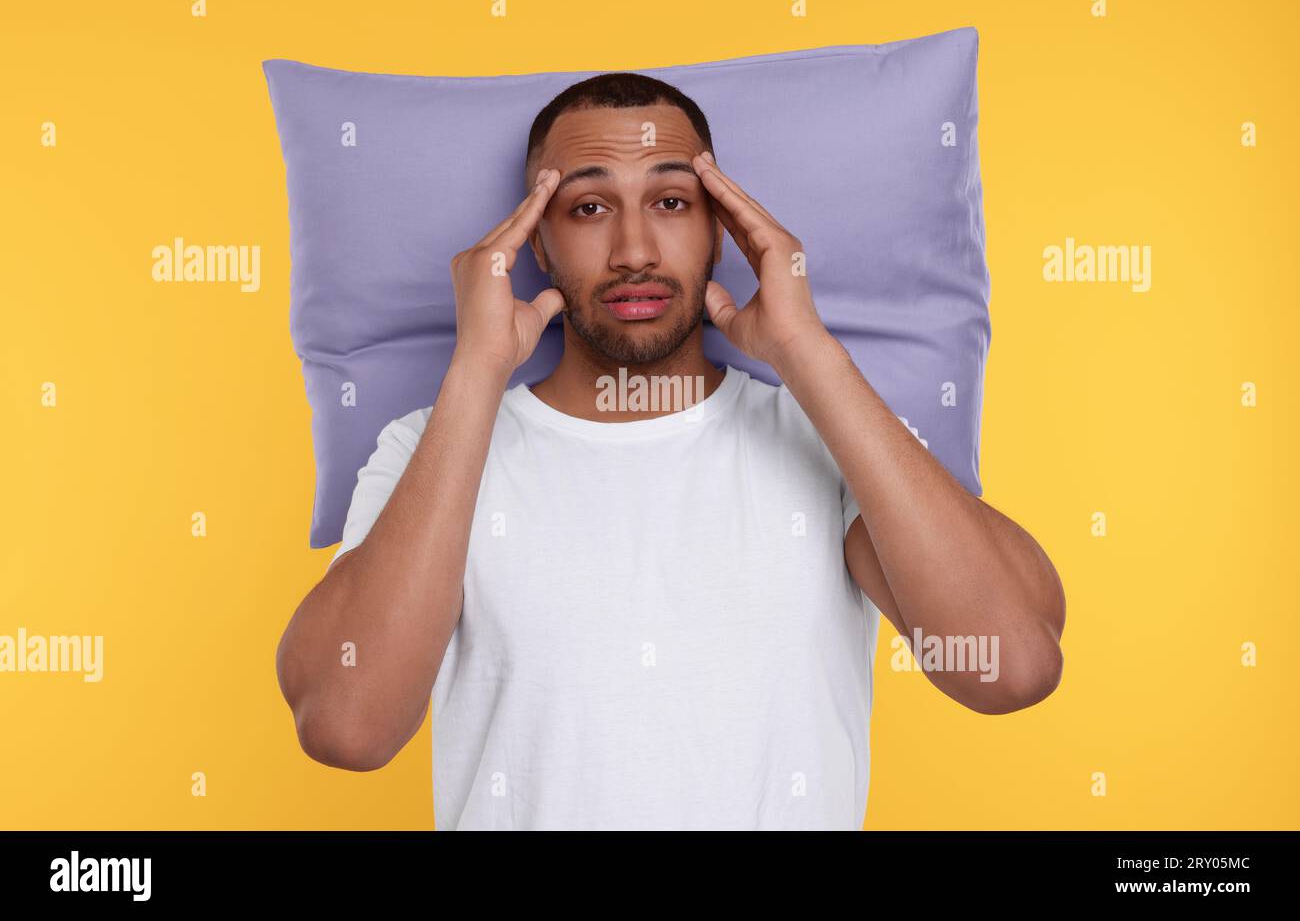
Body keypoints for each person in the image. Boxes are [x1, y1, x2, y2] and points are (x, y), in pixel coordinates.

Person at [275, 72, 1066, 830]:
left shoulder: (828, 437)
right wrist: (476, 370)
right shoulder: (429, 445)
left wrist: (805, 348)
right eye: (587, 206)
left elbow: (1011, 667)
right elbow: (347, 725)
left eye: (671, 201)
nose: (634, 250)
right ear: (537, 246)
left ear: (722, 231)